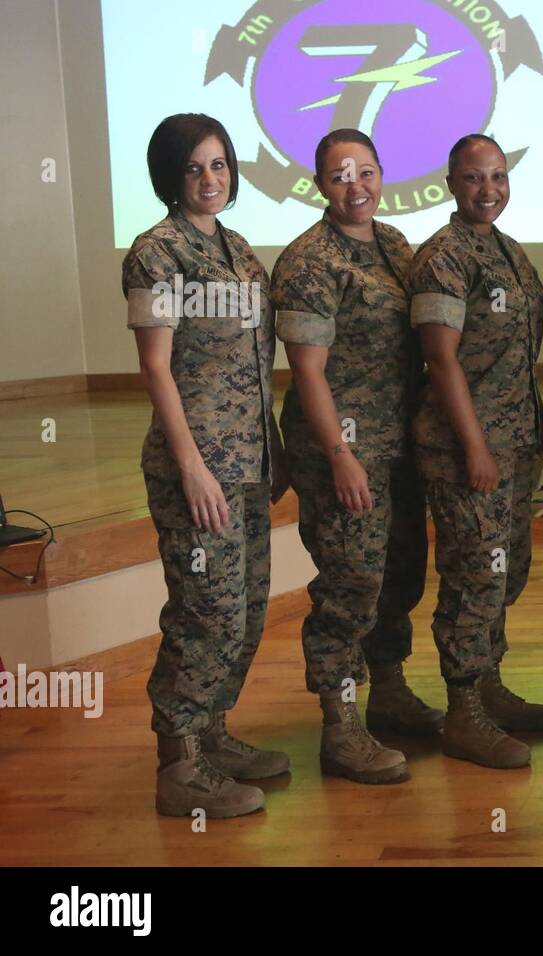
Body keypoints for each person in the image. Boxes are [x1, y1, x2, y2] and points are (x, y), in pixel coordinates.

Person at [123, 113, 291, 818]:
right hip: (196, 467)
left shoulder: (241, 252)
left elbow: (256, 366)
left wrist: (274, 450)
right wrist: (192, 467)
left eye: (219, 164)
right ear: (170, 175)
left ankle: (213, 734)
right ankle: (179, 761)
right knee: (208, 612)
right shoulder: (155, 254)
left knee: (247, 612)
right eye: (194, 167)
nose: (209, 179)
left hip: (248, 463)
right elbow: (156, 369)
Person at [271, 129, 440, 786]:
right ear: (320, 184)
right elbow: (306, 372)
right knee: (351, 585)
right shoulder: (310, 262)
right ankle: (340, 725)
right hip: (340, 450)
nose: (357, 186)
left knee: (398, 573)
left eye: (366, 172)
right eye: (341, 175)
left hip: (397, 443)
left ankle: (389, 691)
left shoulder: (395, 246)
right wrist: (341, 456)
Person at [408, 133, 543, 770]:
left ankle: (489, 685)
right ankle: (463, 711)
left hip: (516, 443)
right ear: (450, 182)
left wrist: (539, 421)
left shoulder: (511, 254)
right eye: (474, 178)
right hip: (467, 450)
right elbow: (440, 360)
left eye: (497, 176)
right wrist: (475, 447)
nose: (488, 189)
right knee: (475, 577)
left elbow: (517, 354)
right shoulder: (444, 257)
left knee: (505, 573)